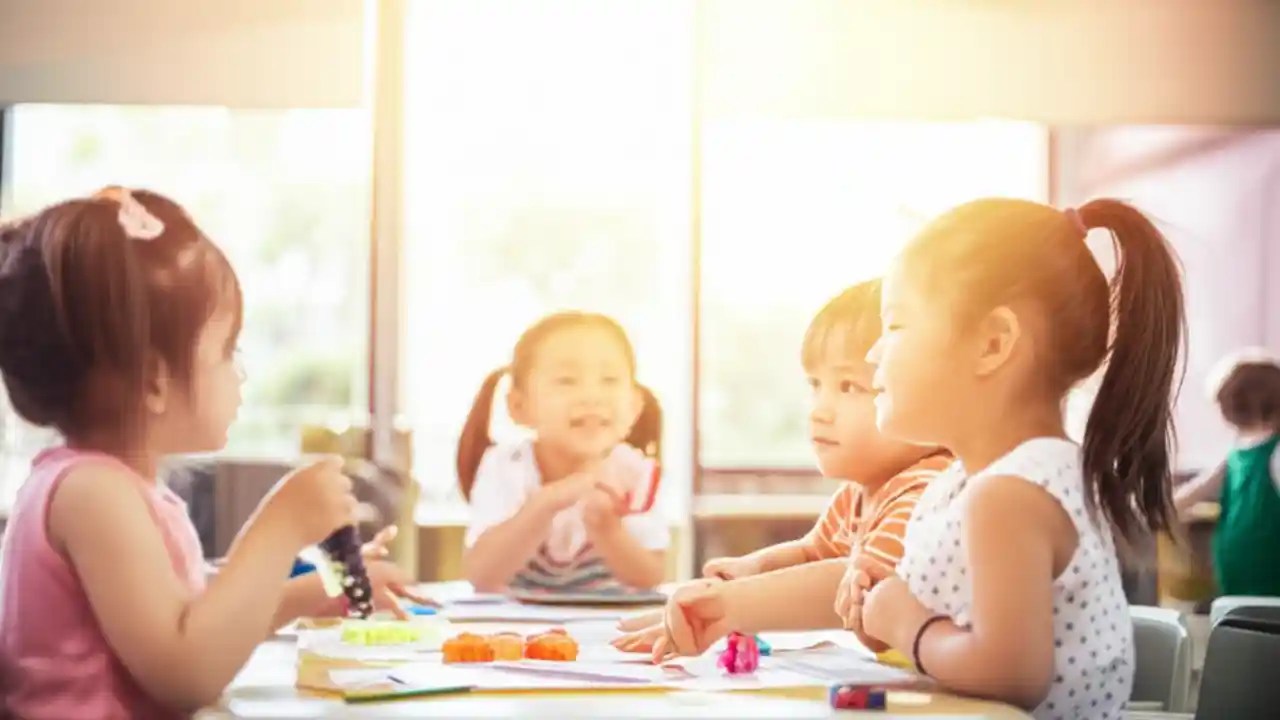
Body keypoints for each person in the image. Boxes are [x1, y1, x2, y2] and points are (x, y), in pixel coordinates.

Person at [666, 198, 1184, 720]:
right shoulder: (965, 484)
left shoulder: (1011, 495)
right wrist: (872, 609)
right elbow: (924, 619)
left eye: (894, 326)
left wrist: (906, 624)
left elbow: (1012, 674)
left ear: (993, 344)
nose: (874, 355)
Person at [0, 189, 422, 718]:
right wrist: (281, 523)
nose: (239, 373)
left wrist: (322, 589)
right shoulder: (92, 496)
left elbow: (198, 620)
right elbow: (187, 671)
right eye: (226, 351)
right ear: (154, 379)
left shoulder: (108, 488)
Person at [615, 280, 949, 656]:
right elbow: (812, 554)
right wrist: (753, 569)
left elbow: (858, 584)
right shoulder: (857, 495)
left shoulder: (929, 489)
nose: (820, 410)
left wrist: (726, 604)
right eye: (815, 385)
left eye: (850, 387)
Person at [457, 312, 666, 592]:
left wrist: (607, 528)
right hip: (518, 630)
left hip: (608, 630)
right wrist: (544, 505)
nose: (592, 395)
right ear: (519, 406)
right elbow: (481, 575)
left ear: (633, 406)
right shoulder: (506, 467)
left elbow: (650, 576)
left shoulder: (634, 474)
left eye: (609, 379)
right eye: (567, 380)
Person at [1175, 348, 1280, 597]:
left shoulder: (1274, 452)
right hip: (1236, 577)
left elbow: (1198, 491)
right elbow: (1198, 490)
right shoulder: (1238, 453)